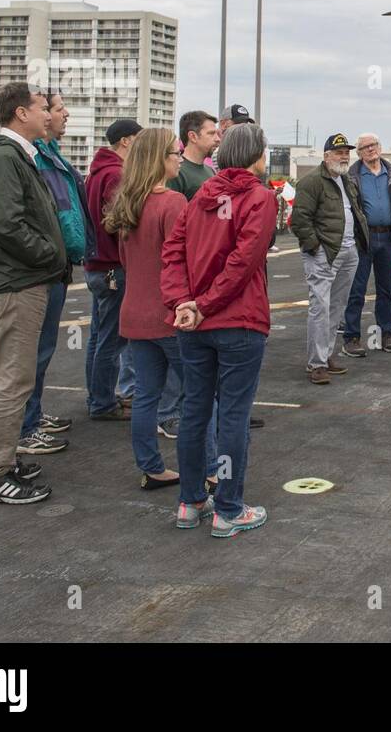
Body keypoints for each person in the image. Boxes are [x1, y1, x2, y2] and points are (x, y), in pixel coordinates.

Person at [161, 123, 276, 537]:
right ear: (255, 155)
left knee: (194, 409)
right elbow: (244, 263)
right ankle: (228, 508)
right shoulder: (260, 198)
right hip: (238, 321)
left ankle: (191, 501)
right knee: (232, 414)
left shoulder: (198, 200)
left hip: (192, 324)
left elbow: (172, 252)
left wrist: (182, 303)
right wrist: (204, 304)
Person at [0, 83, 66, 504]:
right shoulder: (6, 157)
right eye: (44, 108)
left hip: (17, 278)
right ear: (21, 114)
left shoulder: (13, 155)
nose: (49, 115)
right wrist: (46, 256)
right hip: (17, 281)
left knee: (1, 378)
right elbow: (6, 224)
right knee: (12, 380)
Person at [104, 128, 189, 489]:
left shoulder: (128, 202)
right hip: (169, 314)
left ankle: (151, 467)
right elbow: (182, 262)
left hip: (135, 313)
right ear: (159, 159)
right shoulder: (173, 203)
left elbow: (127, 261)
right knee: (202, 392)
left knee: (146, 396)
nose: (180, 158)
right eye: (175, 152)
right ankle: (214, 468)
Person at [18, 91, 95, 455]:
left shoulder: (50, 155)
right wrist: (51, 253)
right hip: (46, 266)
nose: (66, 115)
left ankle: (31, 415)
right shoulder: (36, 158)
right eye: (59, 108)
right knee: (33, 350)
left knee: (43, 348)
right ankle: (24, 425)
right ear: (41, 115)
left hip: (57, 262)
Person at [291, 133, 369, 386]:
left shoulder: (346, 181)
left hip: (347, 252)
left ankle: (327, 355)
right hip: (325, 252)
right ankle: (316, 363)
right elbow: (300, 219)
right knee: (319, 308)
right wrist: (316, 247)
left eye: (346, 152)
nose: (344, 156)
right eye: (338, 153)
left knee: (336, 307)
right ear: (326, 156)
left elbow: (355, 212)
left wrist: (357, 243)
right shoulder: (312, 181)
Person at [84, 118, 142, 420]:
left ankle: (97, 396)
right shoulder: (117, 175)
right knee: (111, 339)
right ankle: (102, 403)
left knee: (98, 336)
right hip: (111, 266)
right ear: (126, 141)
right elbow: (119, 221)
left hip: (95, 265)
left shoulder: (95, 173)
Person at [341, 133, 391, 357]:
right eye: (365, 147)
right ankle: (351, 337)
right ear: (359, 153)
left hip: (388, 238)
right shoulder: (351, 175)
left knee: (386, 289)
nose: (370, 149)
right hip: (363, 239)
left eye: (373, 145)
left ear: (380, 147)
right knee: (357, 290)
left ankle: (386, 334)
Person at [168, 110, 219, 200]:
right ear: (193, 136)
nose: (218, 139)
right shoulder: (176, 171)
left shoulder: (211, 171)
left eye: (217, 134)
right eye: (211, 133)